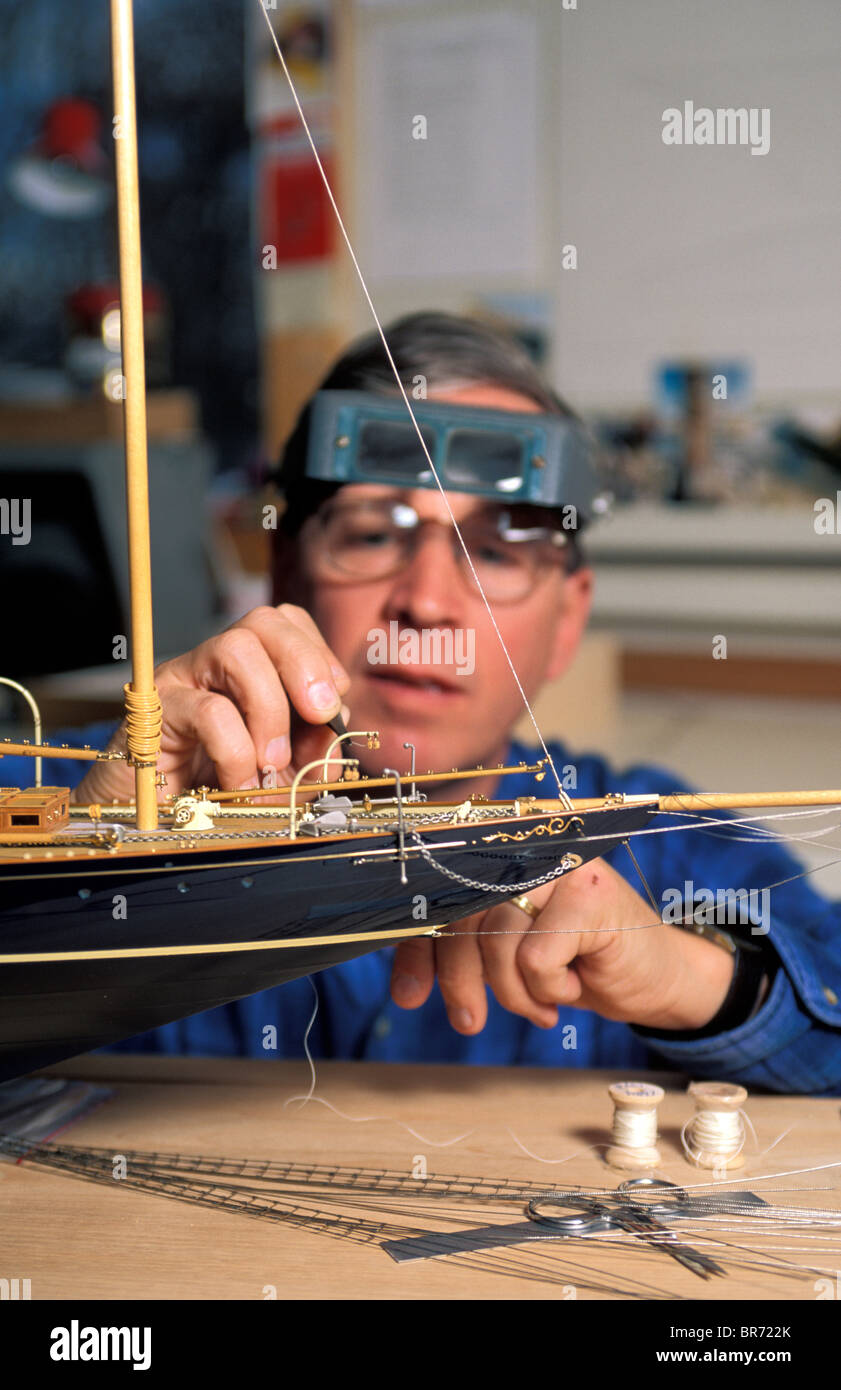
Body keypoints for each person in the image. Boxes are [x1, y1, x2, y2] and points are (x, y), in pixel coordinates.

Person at [7, 312, 840, 1092]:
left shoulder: (674, 853)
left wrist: (694, 981)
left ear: (566, 619)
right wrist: (79, 854)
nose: (430, 601)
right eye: (373, 533)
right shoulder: (86, 780)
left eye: (495, 550)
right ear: (287, 574)